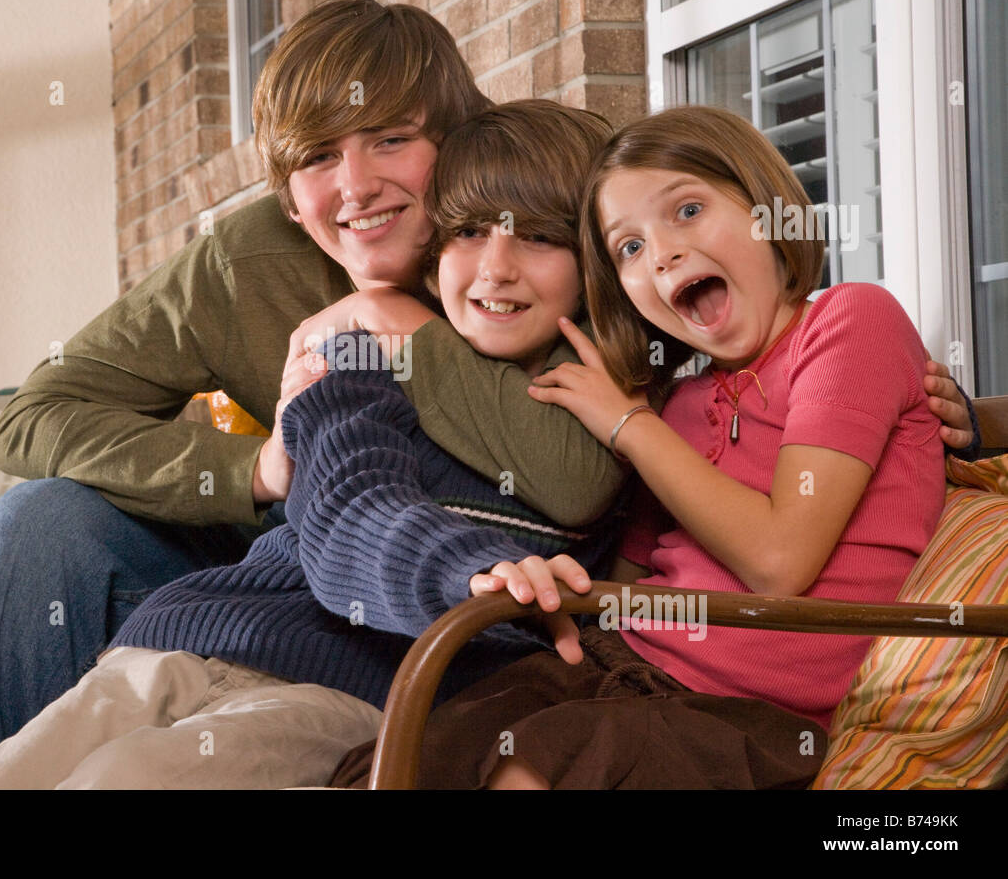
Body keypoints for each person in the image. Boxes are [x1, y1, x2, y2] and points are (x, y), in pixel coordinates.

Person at [0, 0, 977, 787]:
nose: (354, 187)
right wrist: (257, 463)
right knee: (30, 585)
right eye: (316, 159)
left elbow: (621, 460)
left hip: (388, 656)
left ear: (454, 144)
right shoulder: (299, 305)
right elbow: (338, 500)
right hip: (235, 596)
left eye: (390, 139)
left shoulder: (618, 343)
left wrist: (956, 412)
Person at [0, 101, 625, 788]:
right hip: (187, 640)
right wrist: (463, 571)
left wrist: (480, 578)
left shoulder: (609, 401)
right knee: (11, 774)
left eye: (540, 238)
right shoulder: (358, 355)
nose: (496, 268)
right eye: (467, 233)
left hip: (351, 685)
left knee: (126, 777)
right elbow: (351, 511)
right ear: (434, 248)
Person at [331, 105, 958, 790]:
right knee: (406, 757)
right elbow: (624, 588)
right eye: (628, 247)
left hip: (749, 719)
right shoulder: (681, 403)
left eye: (687, 211)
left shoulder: (848, 320)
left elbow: (781, 562)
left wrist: (626, 424)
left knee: (541, 763)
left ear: (767, 209)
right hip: (615, 666)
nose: (661, 253)